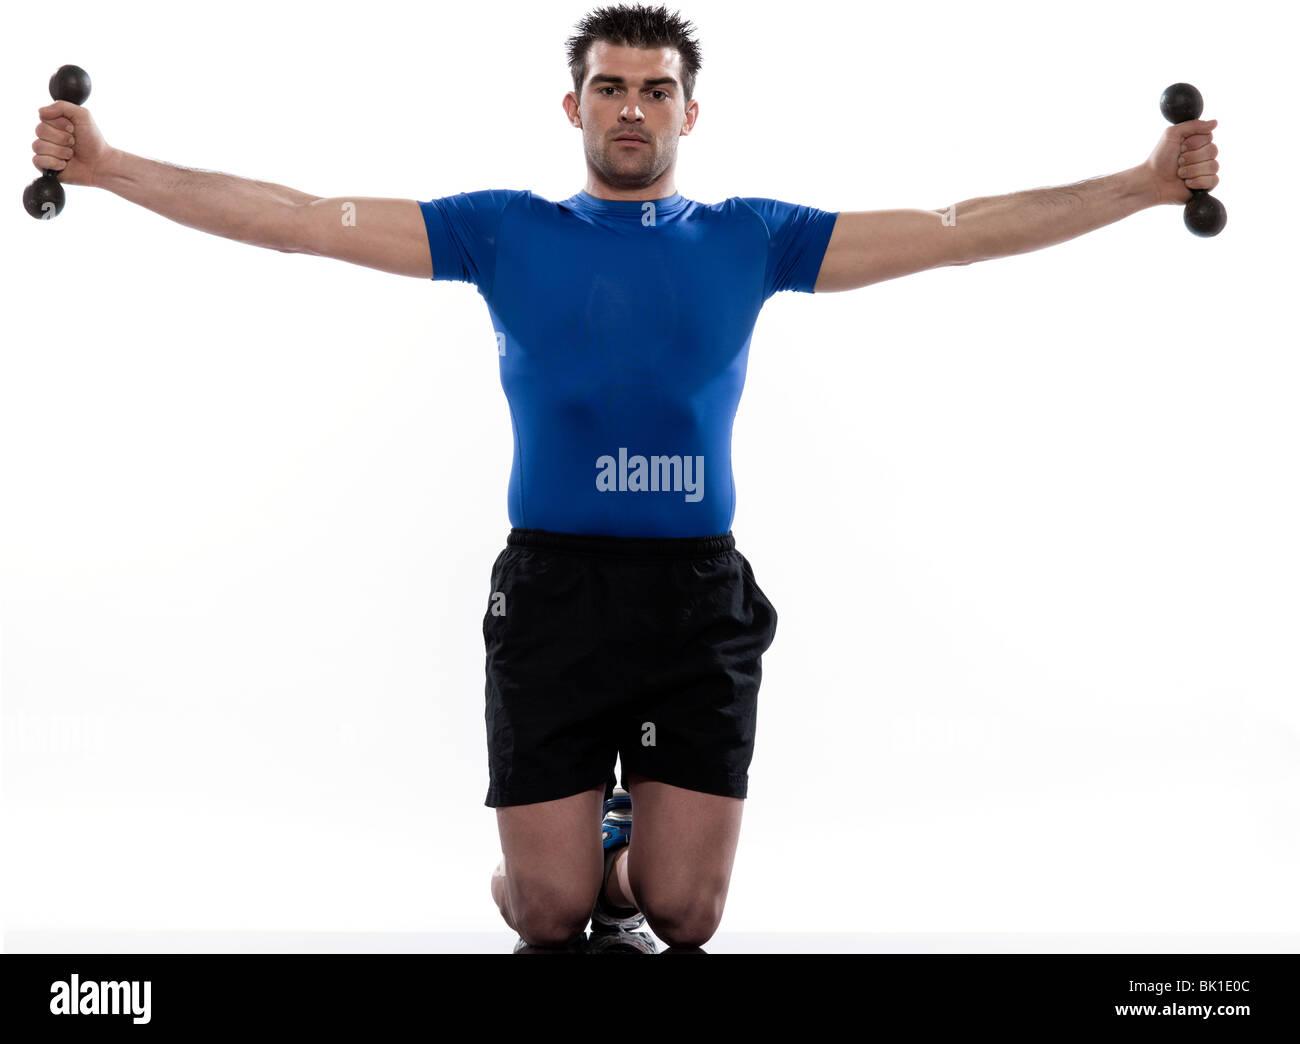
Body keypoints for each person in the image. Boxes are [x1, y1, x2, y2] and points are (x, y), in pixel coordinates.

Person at [29, 3, 1220, 954]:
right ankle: (581, 858)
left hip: (694, 596)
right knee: (545, 918)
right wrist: (115, 166)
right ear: (574, 104)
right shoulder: (502, 230)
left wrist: (1142, 183)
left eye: (656, 88)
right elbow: (301, 219)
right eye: (612, 85)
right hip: (551, 592)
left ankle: (622, 845)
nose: (633, 105)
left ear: (691, 112)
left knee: (686, 917)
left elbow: (958, 227)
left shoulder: (753, 235)